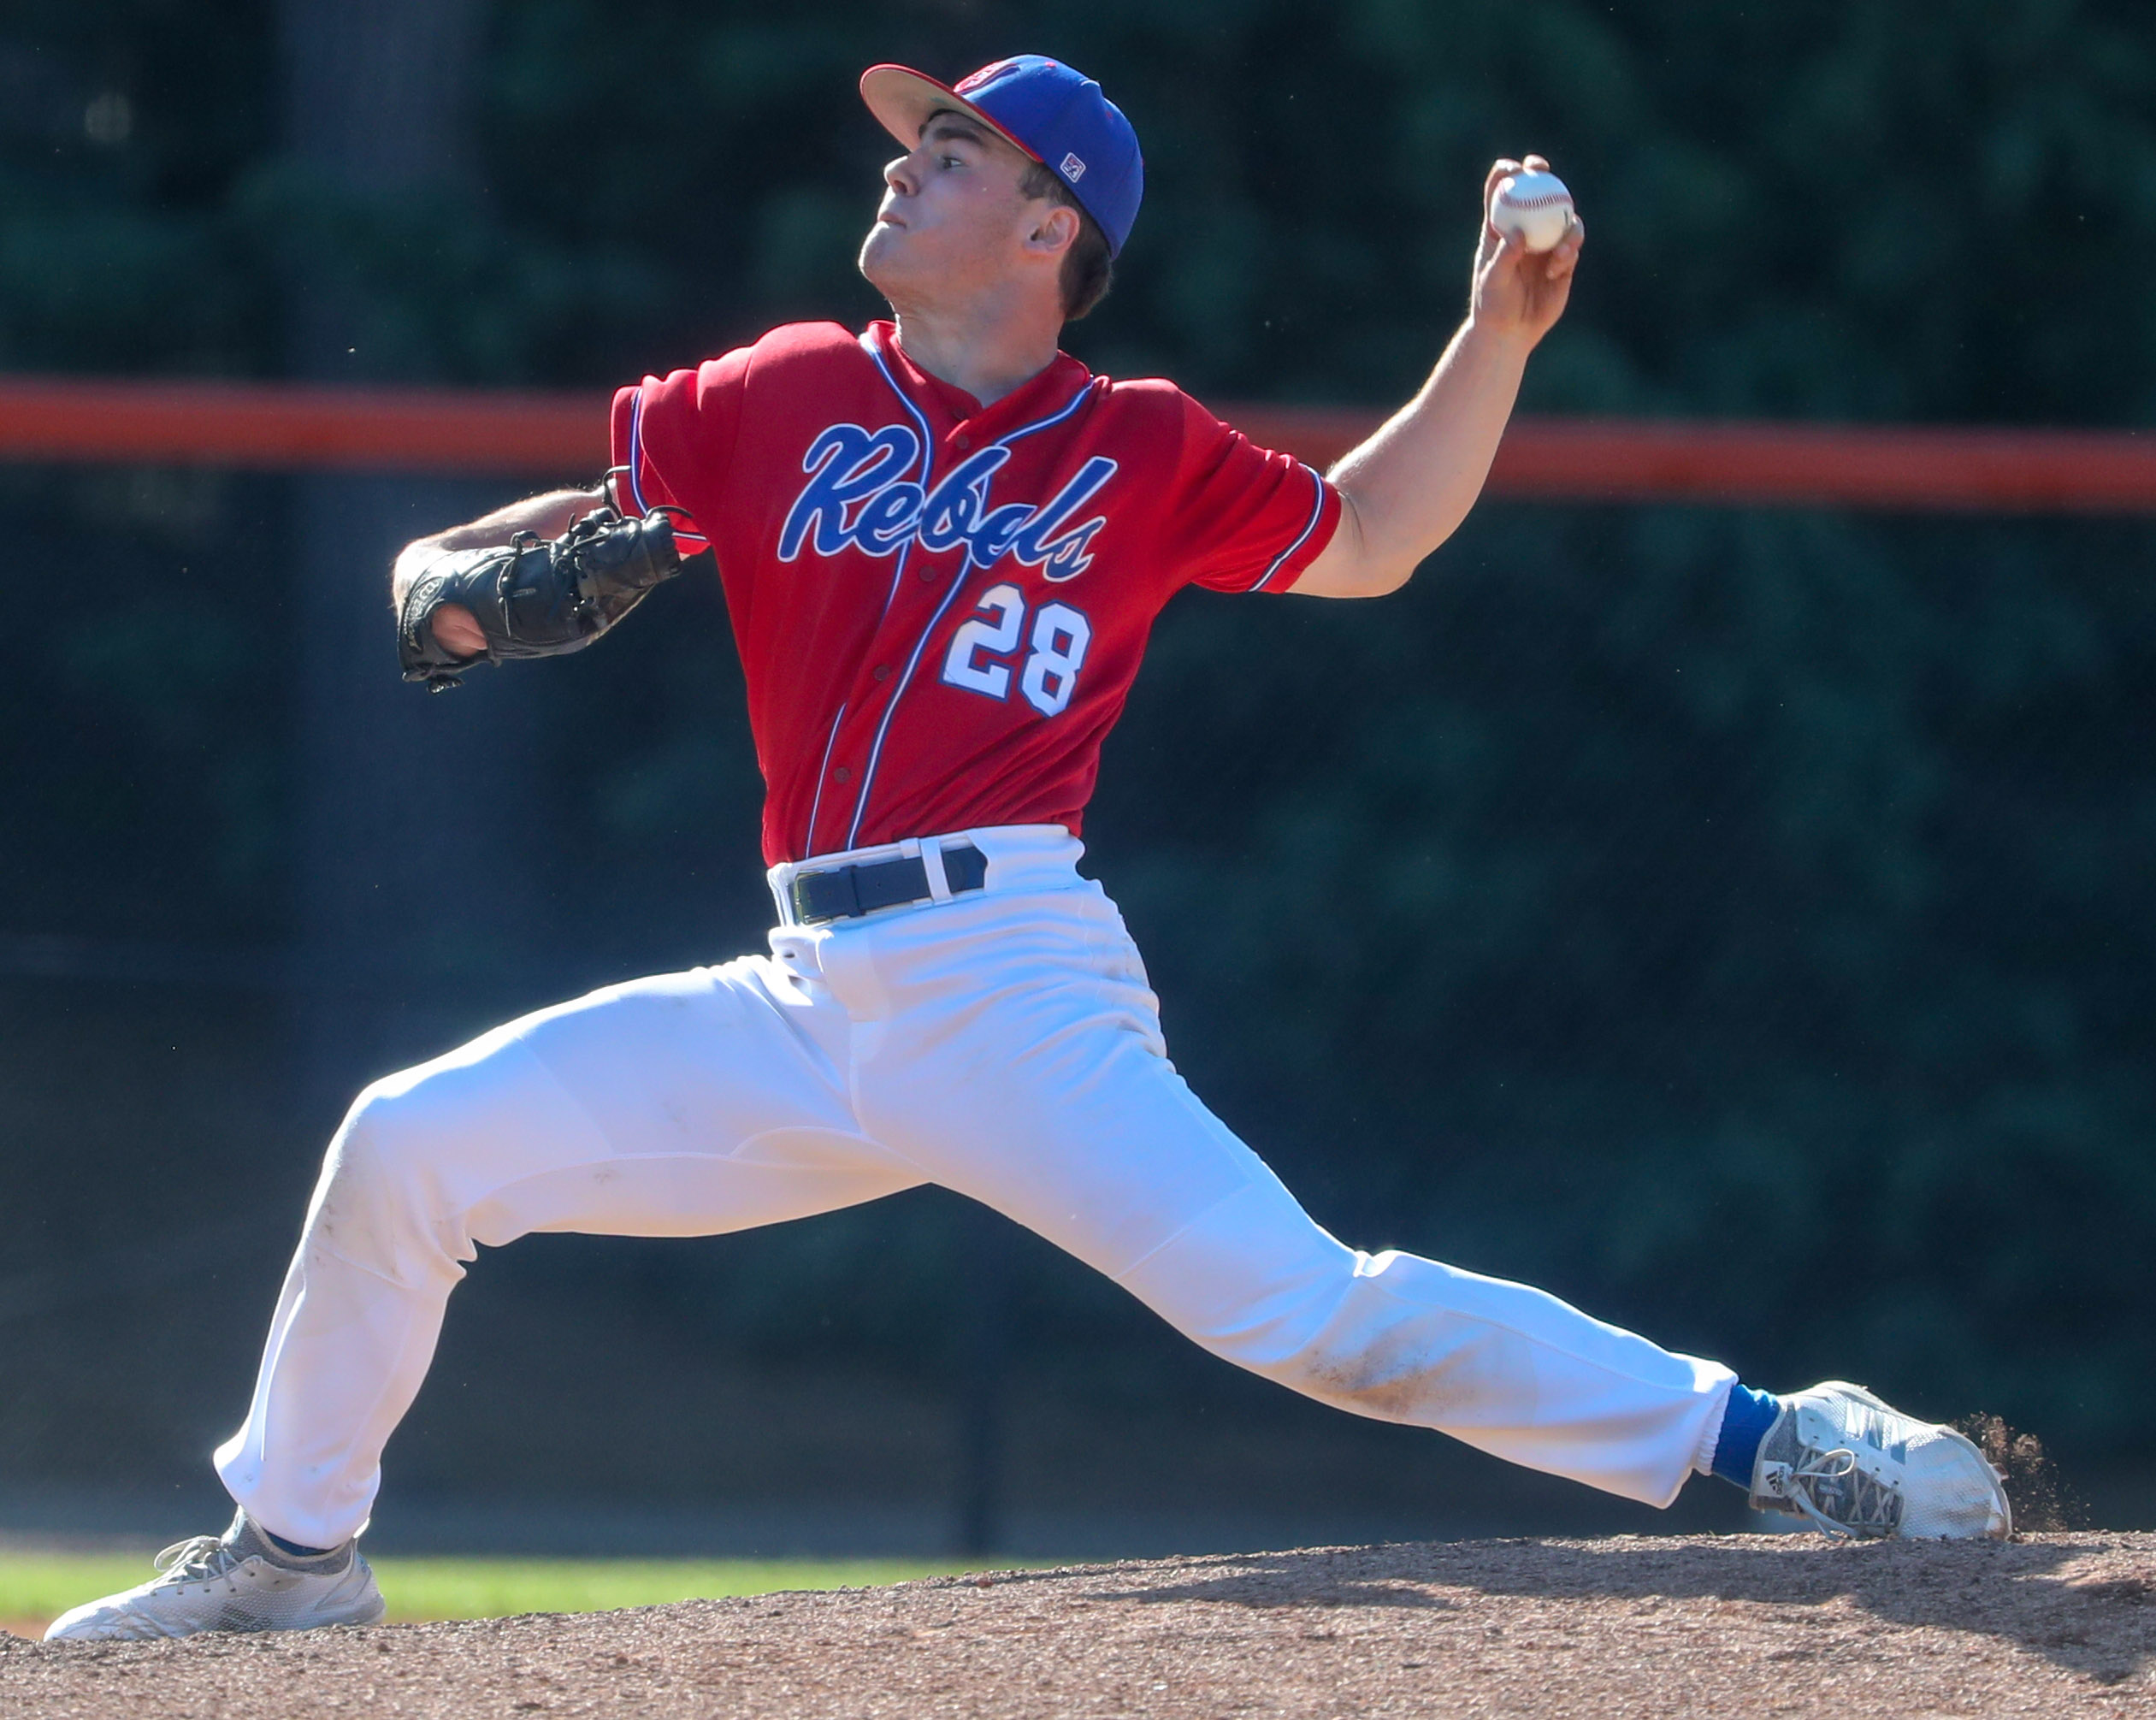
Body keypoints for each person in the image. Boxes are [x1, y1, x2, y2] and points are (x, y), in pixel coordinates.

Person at [47, 53, 2008, 1643]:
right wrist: (455, 590)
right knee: (409, 1139)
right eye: (916, 144)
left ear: (1053, 221)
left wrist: (1492, 332)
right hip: (808, 994)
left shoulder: (1139, 448)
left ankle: (1778, 1441)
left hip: (1010, 982)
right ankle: (294, 1561)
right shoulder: (785, 391)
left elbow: (1370, 536)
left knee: (1318, 1320)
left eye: (955, 149)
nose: (902, 169)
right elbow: (485, 549)